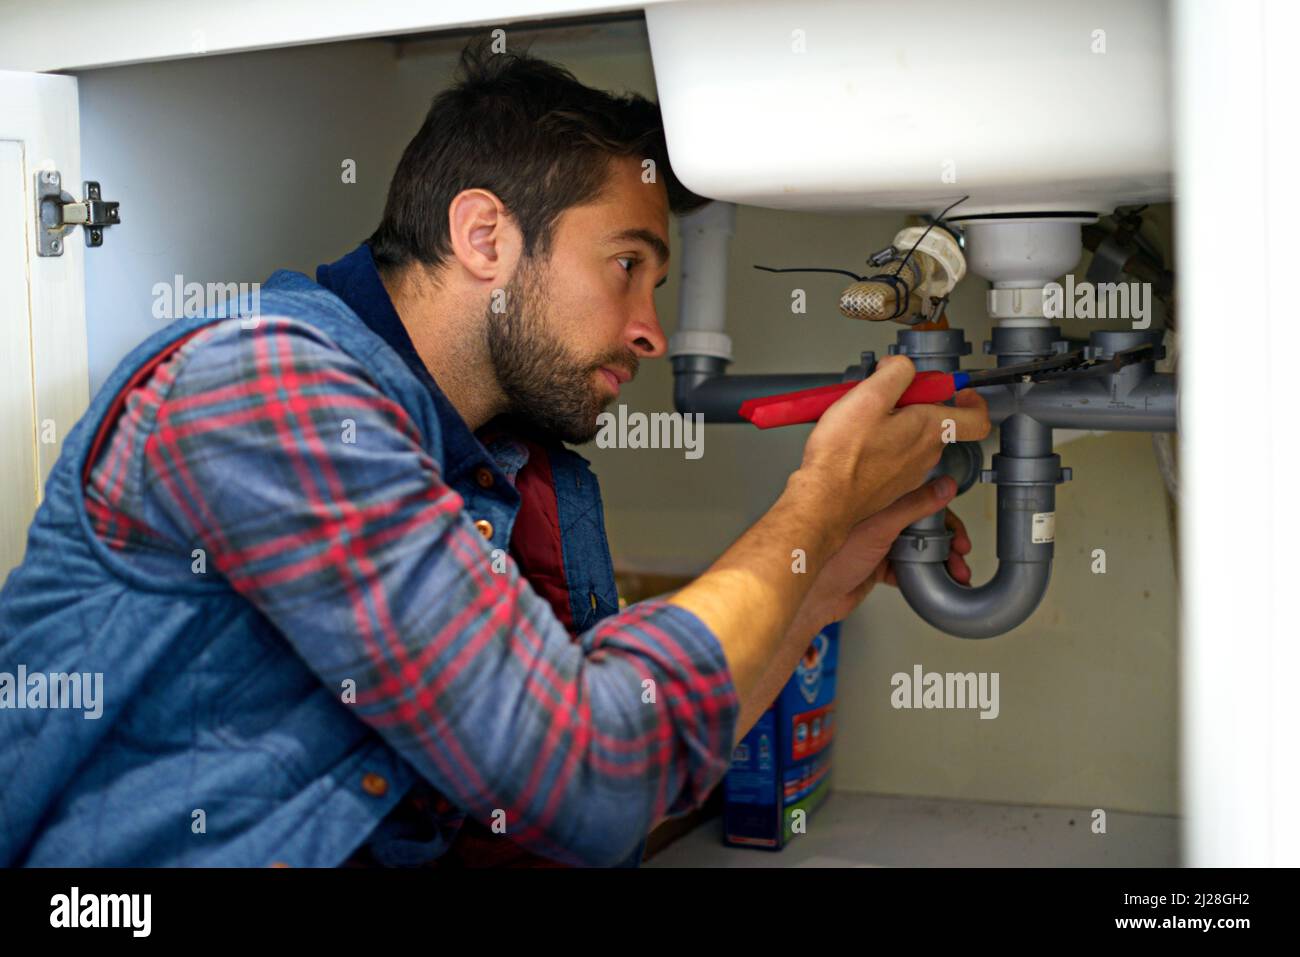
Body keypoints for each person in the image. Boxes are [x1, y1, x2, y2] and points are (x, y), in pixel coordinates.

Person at [0, 40, 988, 868]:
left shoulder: (514, 469)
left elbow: (638, 758)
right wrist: (815, 500)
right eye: (627, 266)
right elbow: (587, 775)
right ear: (484, 238)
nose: (651, 331)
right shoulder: (269, 388)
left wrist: (825, 570)